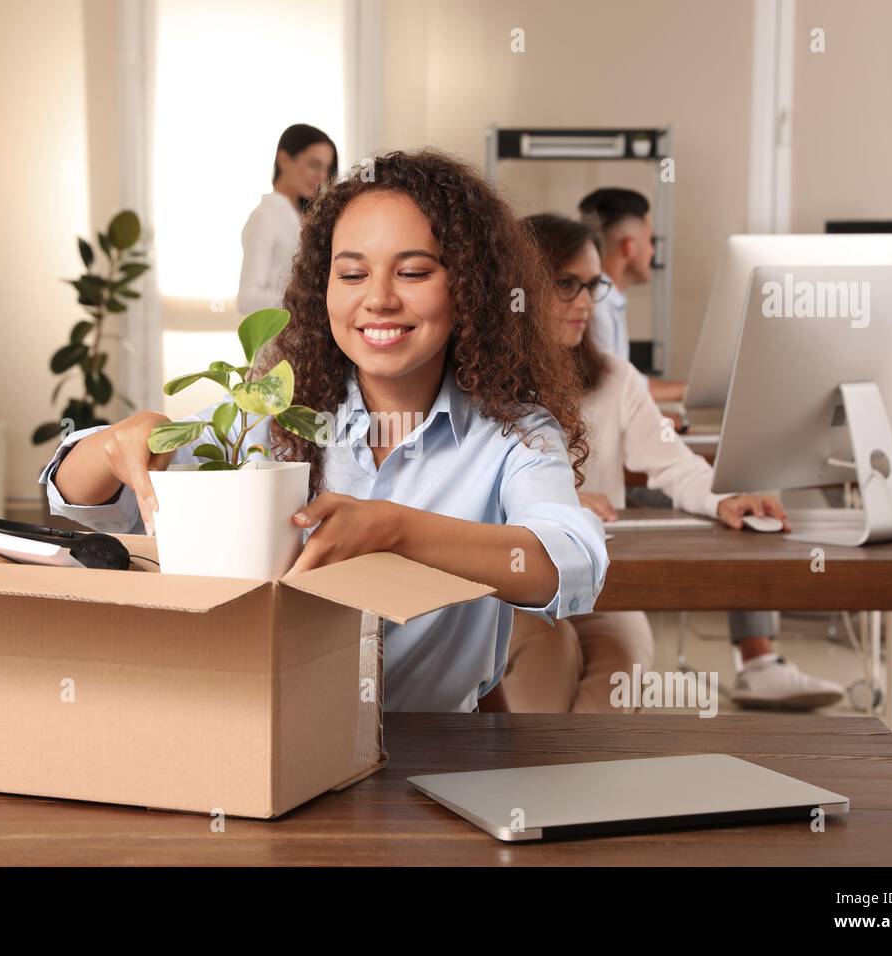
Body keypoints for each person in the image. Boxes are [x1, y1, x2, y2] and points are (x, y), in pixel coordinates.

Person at [42, 150, 609, 714]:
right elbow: (82, 498)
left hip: (425, 759)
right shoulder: (270, 415)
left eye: (413, 272)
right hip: (266, 745)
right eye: (352, 274)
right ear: (324, 287)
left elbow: (568, 564)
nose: (379, 299)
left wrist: (396, 532)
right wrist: (120, 442)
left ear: (471, 289)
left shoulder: (514, 435)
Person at [501, 213, 845, 713]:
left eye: (592, 286)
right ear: (522, 288)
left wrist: (725, 496)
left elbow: (672, 465)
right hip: (515, 592)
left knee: (626, 663)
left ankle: (575, 784)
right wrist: (562, 504)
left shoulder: (616, 378)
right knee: (547, 661)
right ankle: (537, 785)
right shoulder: (479, 382)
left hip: (597, 590)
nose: (583, 303)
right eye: (565, 285)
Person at [577, 187, 685, 404]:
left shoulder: (609, 297)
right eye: (650, 241)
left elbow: (624, 384)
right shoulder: (597, 302)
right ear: (629, 246)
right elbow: (610, 390)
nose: (653, 251)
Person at [236, 123, 338, 315]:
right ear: (283, 159)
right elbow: (247, 299)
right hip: (277, 340)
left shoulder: (303, 217)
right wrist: (307, 298)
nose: (322, 176)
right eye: (314, 165)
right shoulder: (264, 217)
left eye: (326, 168)